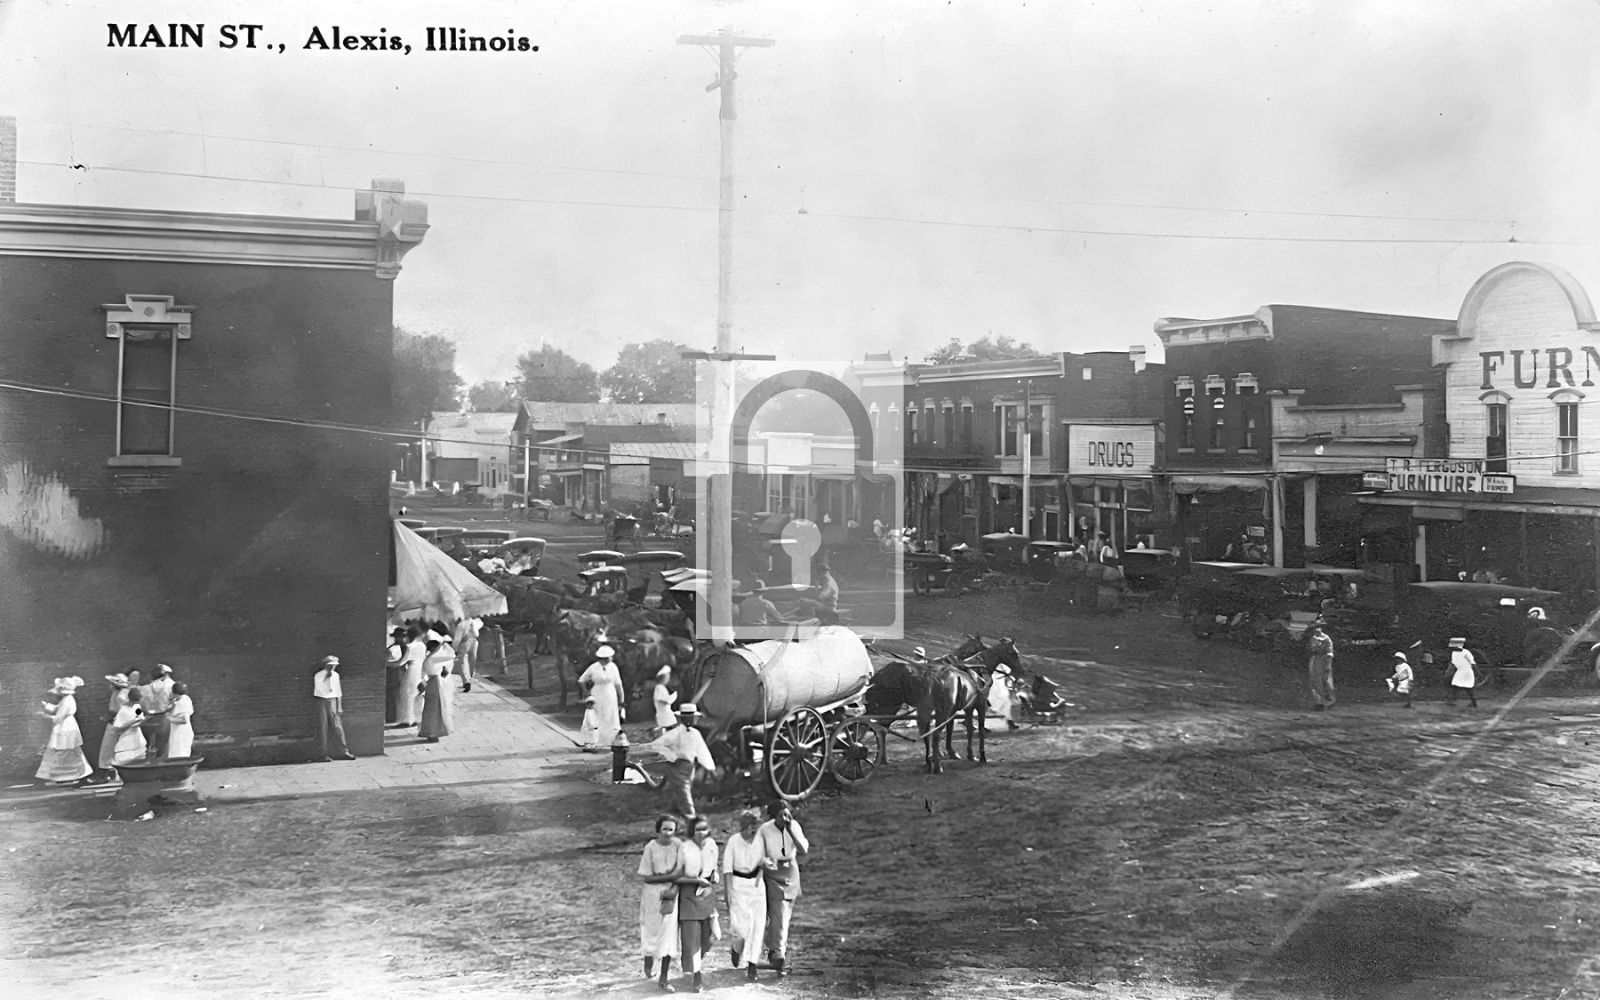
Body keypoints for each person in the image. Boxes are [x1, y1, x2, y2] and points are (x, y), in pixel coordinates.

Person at [758, 799, 810, 977]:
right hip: (772, 873)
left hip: (789, 872)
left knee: (783, 914)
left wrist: (790, 830)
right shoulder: (765, 829)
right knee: (776, 913)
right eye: (780, 816)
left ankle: (777, 952)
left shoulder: (794, 826)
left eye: (787, 814)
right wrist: (764, 863)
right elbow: (757, 851)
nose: (785, 818)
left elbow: (803, 850)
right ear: (773, 817)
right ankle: (775, 950)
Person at [722, 808, 769, 982]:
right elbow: (727, 871)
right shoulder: (734, 842)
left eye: (756, 827)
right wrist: (728, 895)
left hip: (757, 887)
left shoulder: (761, 841)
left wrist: (764, 867)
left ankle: (752, 966)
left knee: (757, 927)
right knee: (741, 928)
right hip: (738, 885)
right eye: (751, 827)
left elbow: (764, 862)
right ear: (743, 827)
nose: (754, 830)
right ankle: (736, 948)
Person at [675, 814, 721, 993]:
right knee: (692, 938)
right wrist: (696, 880)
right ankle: (696, 977)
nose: (701, 833)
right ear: (691, 831)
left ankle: (692, 963)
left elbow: (713, 866)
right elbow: (677, 876)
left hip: (707, 893)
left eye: (704, 829)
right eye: (697, 829)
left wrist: (715, 873)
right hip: (688, 893)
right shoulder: (684, 848)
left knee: (711, 936)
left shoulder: (711, 845)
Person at [638, 814, 683, 991]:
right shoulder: (651, 847)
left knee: (668, 935)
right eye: (664, 829)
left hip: (671, 893)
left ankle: (664, 977)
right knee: (651, 932)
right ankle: (648, 959)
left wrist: (674, 888)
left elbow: (682, 871)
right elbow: (647, 877)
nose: (667, 833)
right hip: (652, 894)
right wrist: (669, 876)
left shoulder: (678, 846)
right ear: (658, 830)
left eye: (671, 829)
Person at [654, 704, 716, 819]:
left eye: (694, 717)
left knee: (682, 790)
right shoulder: (675, 733)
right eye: (691, 717)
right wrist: (671, 756)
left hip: (689, 767)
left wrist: (709, 765)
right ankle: (690, 816)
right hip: (677, 766)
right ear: (683, 718)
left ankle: (673, 810)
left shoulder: (695, 733)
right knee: (683, 790)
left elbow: (702, 749)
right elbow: (656, 745)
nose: (694, 720)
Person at [35, 676, 92, 785]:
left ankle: (71, 775)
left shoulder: (67, 701)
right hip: (65, 725)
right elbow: (58, 709)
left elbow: (58, 717)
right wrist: (46, 705)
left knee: (65, 750)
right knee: (64, 751)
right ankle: (62, 776)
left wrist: (44, 716)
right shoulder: (66, 699)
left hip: (65, 727)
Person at [579, 644, 625, 751]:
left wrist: (621, 698)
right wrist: (586, 693)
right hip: (597, 694)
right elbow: (581, 680)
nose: (612, 658)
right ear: (605, 657)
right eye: (610, 656)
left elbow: (618, 684)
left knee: (611, 717)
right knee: (598, 717)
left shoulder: (613, 667)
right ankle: (597, 742)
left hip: (610, 695)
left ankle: (611, 742)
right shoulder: (594, 667)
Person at [312, 655, 357, 761]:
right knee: (322, 727)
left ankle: (344, 751)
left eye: (334, 665)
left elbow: (338, 692)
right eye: (330, 665)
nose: (333, 667)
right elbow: (318, 690)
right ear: (326, 665)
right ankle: (322, 754)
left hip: (333, 701)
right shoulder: (319, 675)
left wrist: (339, 706)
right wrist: (327, 678)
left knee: (337, 727)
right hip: (321, 700)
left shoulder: (336, 675)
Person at [94, 673, 134, 782]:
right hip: (116, 721)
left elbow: (125, 710)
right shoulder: (117, 693)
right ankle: (111, 774)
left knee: (108, 747)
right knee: (111, 748)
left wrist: (113, 716)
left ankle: (106, 775)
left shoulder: (121, 695)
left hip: (117, 722)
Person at [418, 638, 455, 743]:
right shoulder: (434, 659)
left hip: (430, 682)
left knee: (430, 708)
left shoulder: (427, 659)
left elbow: (423, 674)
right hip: (436, 683)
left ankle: (431, 732)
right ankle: (434, 732)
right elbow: (450, 660)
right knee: (436, 708)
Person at [138, 663, 176, 760]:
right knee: (163, 748)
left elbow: (140, 705)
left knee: (148, 747)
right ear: (166, 675)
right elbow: (173, 704)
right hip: (163, 719)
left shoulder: (144, 688)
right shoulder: (170, 686)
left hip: (147, 720)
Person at [108, 686, 148, 766]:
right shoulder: (123, 711)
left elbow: (140, 718)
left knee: (141, 765)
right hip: (126, 744)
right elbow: (117, 729)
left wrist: (145, 720)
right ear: (136, 699)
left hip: (138, 742)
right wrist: (132, 722)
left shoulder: (137, 707)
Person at [394, 627, 426, 728]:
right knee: (416, 694)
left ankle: (407, 720)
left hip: (411, 670)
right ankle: (415, 718)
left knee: (405, 694)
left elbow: (401, 663)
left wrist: (385, 663)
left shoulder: (410, 647)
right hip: (420, 670)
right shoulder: (422, 645)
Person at [1306, 624, 1336, 710]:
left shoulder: (1326, 639)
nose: (1316, 630)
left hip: (1323, 659)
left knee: (1326, 681)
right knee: (1314, 680)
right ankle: (1318, 702)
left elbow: (1330, 652)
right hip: (1314, 659)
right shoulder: (1312, 638)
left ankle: (1330, 701)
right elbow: (1309, 649)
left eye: (1318, 628)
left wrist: (1328, 665)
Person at [164, 682, 195, 759]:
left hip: (180, 733)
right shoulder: (185, 698)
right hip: (181, 731)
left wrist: (169, 719)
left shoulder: (182, 702)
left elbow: (184, 720)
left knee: (179, 753)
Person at [385, 627, 408, 725]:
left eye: (398, 637)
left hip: (402, 673)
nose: (396, 639)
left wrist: (386, 664)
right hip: (394, 673)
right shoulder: (395, 646)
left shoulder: (406, 647)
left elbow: (401, 663)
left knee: (401, 695)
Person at [1448, 637, 1479, 708]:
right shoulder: (1454, 653)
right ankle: (1452, 700)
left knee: (1468, 688)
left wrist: (1478, 673)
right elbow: (1453, 663)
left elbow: (1473, 663)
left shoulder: (1466, 652)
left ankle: (1474, 703)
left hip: (1467, 672)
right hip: (1460, 671)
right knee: (1455, 686)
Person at [453, 616, 482, 693]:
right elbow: (480, 625)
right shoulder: (475, 622)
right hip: (474, 642)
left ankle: (466, 681)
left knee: (461, 661)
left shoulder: (461, 624)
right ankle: (471, 677)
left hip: (465, 642)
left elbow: (457, 639)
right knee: (472, 661)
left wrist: (454, 649)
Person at [651, 665, 677, 738]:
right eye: (667, 677)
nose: (668, 678)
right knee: (666, 730)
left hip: (666, 713)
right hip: (663, 713)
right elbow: (665, 701)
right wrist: (673, 697)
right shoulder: (659, 688)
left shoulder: (662, 688)